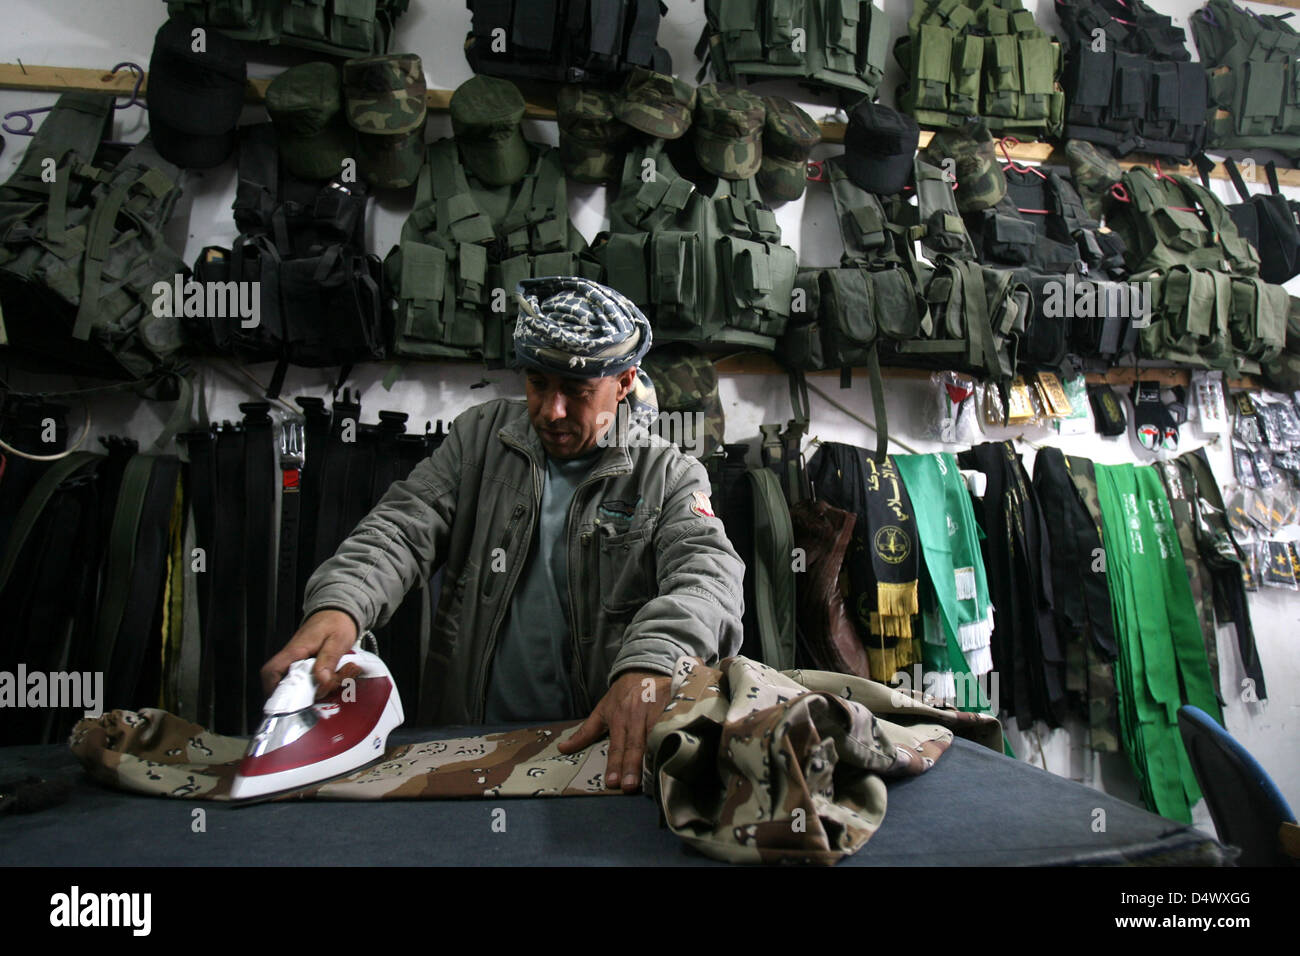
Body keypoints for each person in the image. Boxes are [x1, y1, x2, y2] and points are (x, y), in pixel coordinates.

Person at [261, 276, 745, 793]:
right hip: (467, 737)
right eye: (538, 384)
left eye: (577, 392)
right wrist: (342, 604)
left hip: (592, 749)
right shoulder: (480, 439)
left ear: (624, 382)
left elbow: (707, 577)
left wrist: (655, 658)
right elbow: (401, 528)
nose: (552, 411)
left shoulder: (667, 475)